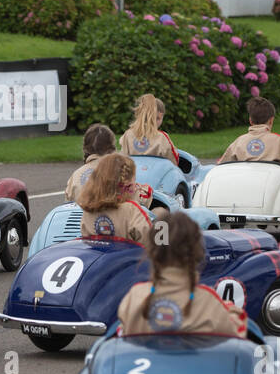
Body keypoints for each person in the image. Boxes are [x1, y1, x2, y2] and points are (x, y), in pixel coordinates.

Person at [115, 212, 246, 337]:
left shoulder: (135, 297)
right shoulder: (208, 302)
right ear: (196, 253)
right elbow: (237, 332)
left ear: (153, 252)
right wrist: (230, 308)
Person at [77, 153, 153, 244]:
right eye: (134, 182)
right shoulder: (132, 211)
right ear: (127, 185)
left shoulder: (88, 211)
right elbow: (152, 244)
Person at [219, 97, 280, 176]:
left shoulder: (238, 142)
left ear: (250, 120)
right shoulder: (279, 142)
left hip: (244, 185)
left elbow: (221, 166)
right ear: (271, 120)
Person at [118, 94, 178, 164]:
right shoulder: (162, 137)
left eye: (158, 119)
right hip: (156, 174)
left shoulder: (128, 134)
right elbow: (173, 161)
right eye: (156, 118)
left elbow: (122, 158)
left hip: (134, 173)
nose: (155, 122)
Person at [65, 123, 116, 202]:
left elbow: (67, 204)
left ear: (85, 147)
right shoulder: (119, 172)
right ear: (112, 147)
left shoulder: (75, 175)